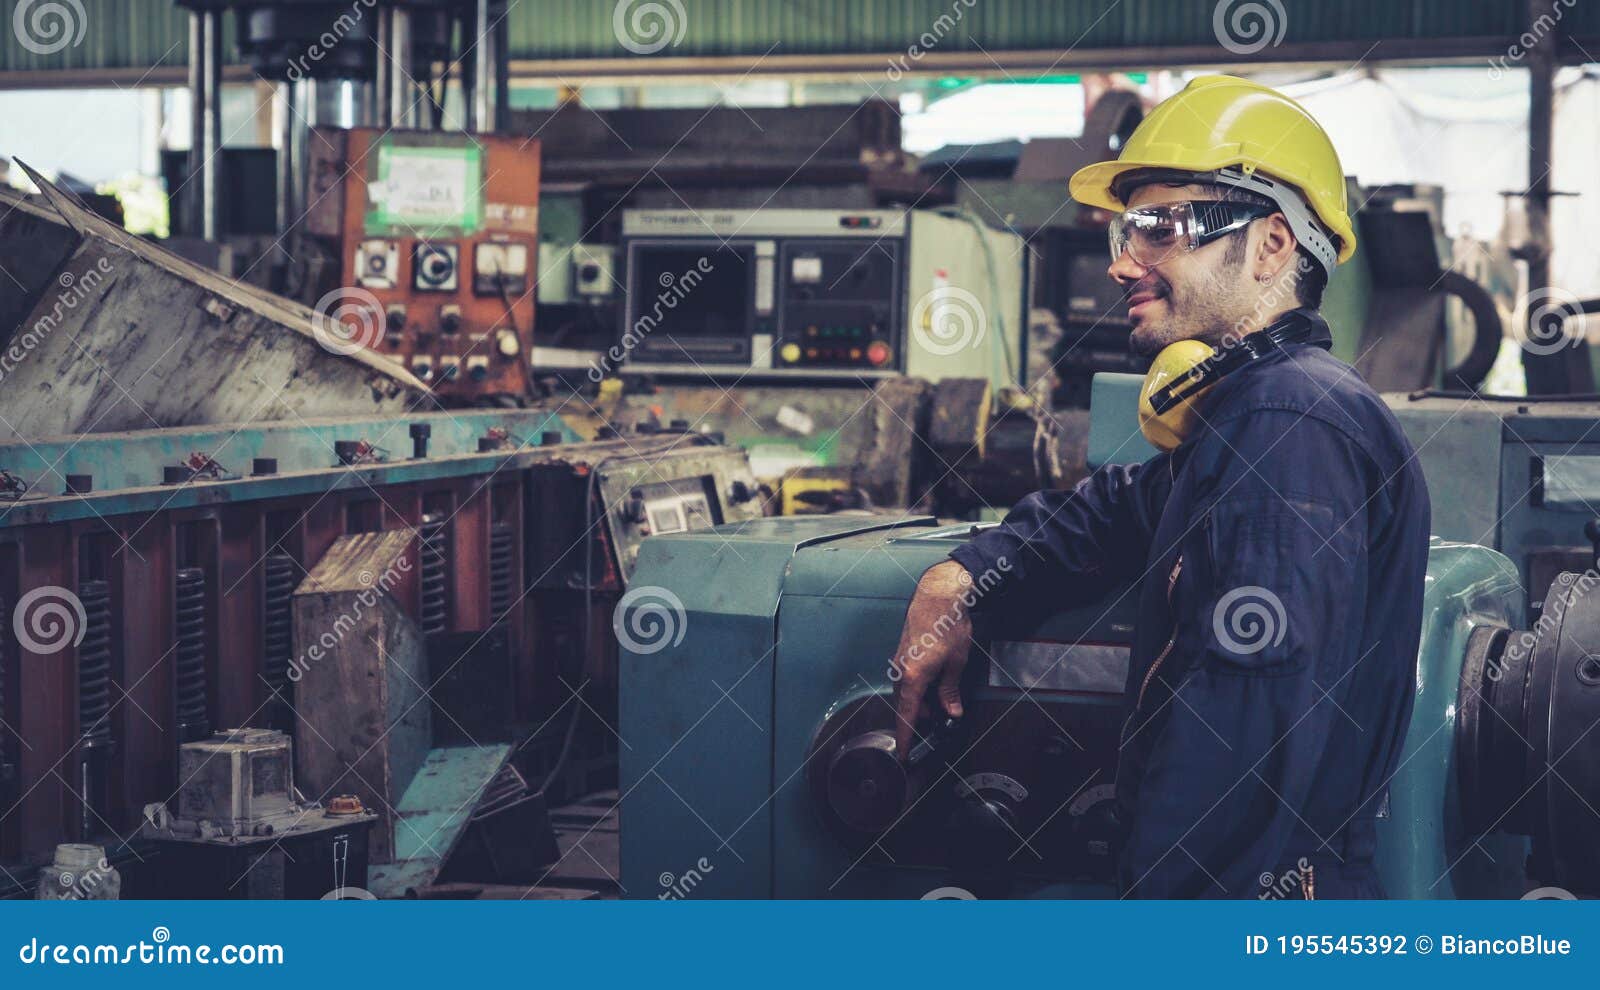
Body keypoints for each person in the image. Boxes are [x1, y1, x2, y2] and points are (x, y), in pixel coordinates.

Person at [889, 75, 1431, 899]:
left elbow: (1242, 744)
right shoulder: (1245, 414)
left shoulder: (1290, 424)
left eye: (1157, 230)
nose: (1119, 263)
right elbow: (1114, 513)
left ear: (1271, 246)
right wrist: (962, 577)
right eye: (1122, 232)